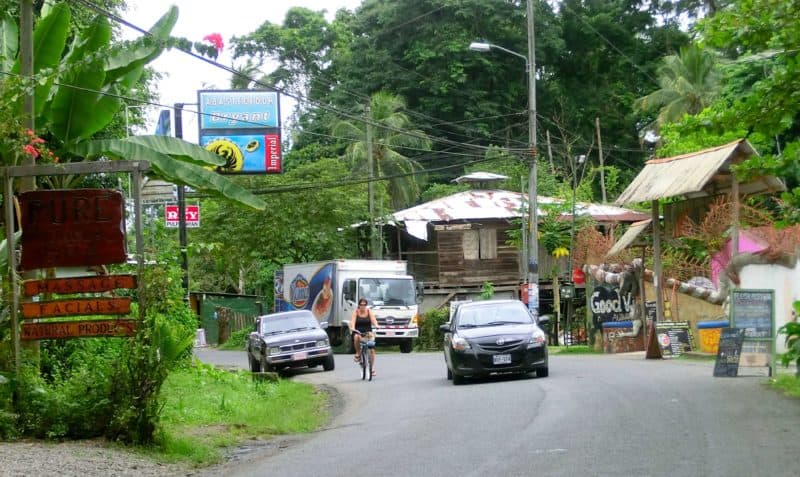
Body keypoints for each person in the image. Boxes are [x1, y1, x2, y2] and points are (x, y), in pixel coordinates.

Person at [350, 298, 379, 376]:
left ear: (366, 305)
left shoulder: (369, 311)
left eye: (364, 304)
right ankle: (358, 352)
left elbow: (373, 320)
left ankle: (372, 368)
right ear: (359, 305)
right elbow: (352, 321)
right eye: (361, 304)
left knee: (372, 349)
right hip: (358, 332)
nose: (363, 306)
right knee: (356, 337)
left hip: (368, 333)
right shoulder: (356, 312)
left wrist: (376, 325)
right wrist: (352, 327)